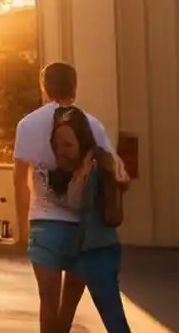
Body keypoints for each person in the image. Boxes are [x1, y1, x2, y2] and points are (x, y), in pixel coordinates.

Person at [13, 62, 126, 333]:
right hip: (83, 230)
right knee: (67, 310)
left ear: (44, 87)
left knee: (48, 305)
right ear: (74, 86)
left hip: (44, 226)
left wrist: (21, 227)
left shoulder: (28, 124)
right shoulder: (91, 123)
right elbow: (116, 171)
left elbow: (19, 180)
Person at [47, 106, 129, 332]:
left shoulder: (96, 165)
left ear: (82, 141)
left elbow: (77, 203)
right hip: (81, 252)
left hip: (99, 252)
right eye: (57, 145)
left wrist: (82, 176)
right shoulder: (80, 167)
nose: (61, 151)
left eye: (68, 145)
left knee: (114, 319)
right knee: (64, 317)